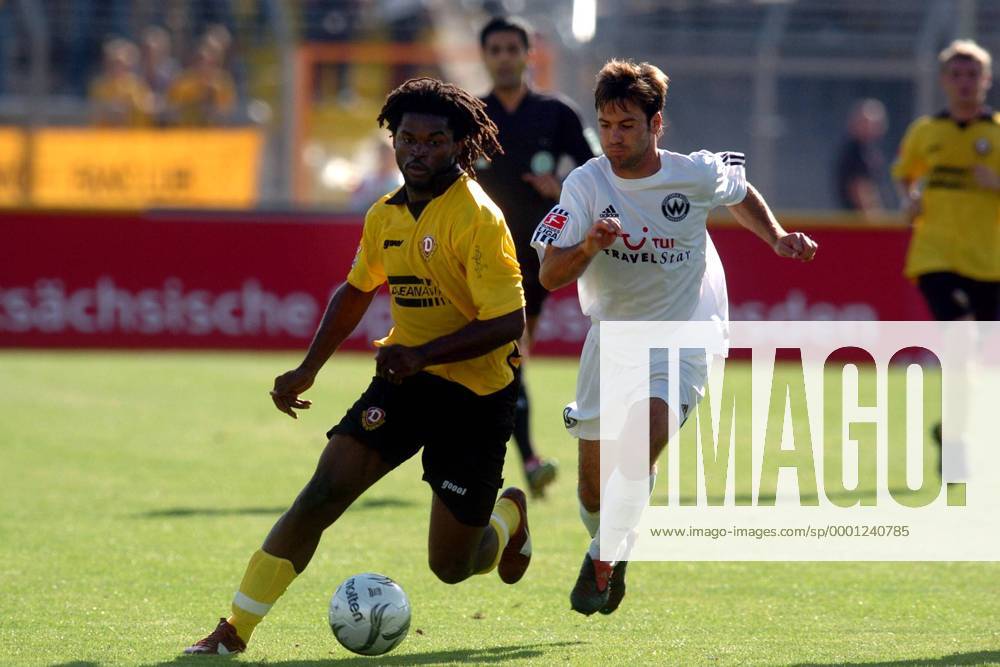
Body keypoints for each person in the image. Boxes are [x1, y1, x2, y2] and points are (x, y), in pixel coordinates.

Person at [184, 78, 533, 655]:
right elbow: (354, 292)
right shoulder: (384, 216)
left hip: (475, 398)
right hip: (401, 384)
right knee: (321, 494)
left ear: (459, 145)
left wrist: (422, 353)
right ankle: (233, 632)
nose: (419, 150)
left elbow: (508, 323)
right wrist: (307, 369)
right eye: (407, 138)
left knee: (453, 565)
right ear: (392, 140)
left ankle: (506, 520)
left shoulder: (478, 217)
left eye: (435, 140)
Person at [530, 59, 817, 616]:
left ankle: (602, 560)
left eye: (628, 125)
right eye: (607, 125)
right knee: (593, 494)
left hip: (684, 335)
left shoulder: (694, 173)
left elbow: (739, 190)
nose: (615, 137)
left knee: (639, 449)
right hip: (610, 339)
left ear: (656, 124)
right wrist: (590, 246)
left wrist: (777, 237)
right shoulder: (585, 185)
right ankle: (612, 543)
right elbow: (549, 274)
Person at [476, 16, 597, 497]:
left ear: (529, 54)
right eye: (496, 49)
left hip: (533, 256)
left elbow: (594, 172)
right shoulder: (470, 113)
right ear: (485, 56)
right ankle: (526, 457)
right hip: (477, 255)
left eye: (512, 48)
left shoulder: (556, 113)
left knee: (507, 359)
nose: (505, 57)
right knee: (504, 358)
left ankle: (515, 455)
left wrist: (562, 185)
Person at [893, 39, 1000, 323]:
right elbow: (904, 174)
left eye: (973, 75)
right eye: (956, 75)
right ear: (943, 80)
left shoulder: (997, 132)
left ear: (986, 79)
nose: (964, 82)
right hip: (934, 252)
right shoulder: (925, 131)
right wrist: (909, 198)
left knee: (981, 342)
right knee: (958, 328)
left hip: (988, 257)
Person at [834, 98, 888, 219]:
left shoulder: (868, 149)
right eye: (864, 123)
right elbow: (859, 188)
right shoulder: (855, 152)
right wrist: (874, 218)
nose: (870, 127)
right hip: (859, 221)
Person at [89, 38, 154, 127]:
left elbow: (144, 110)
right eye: (112, 63)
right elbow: (95, 112)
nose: (115, 67)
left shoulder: (135, 85)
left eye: (119, 63)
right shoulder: (99, 86)